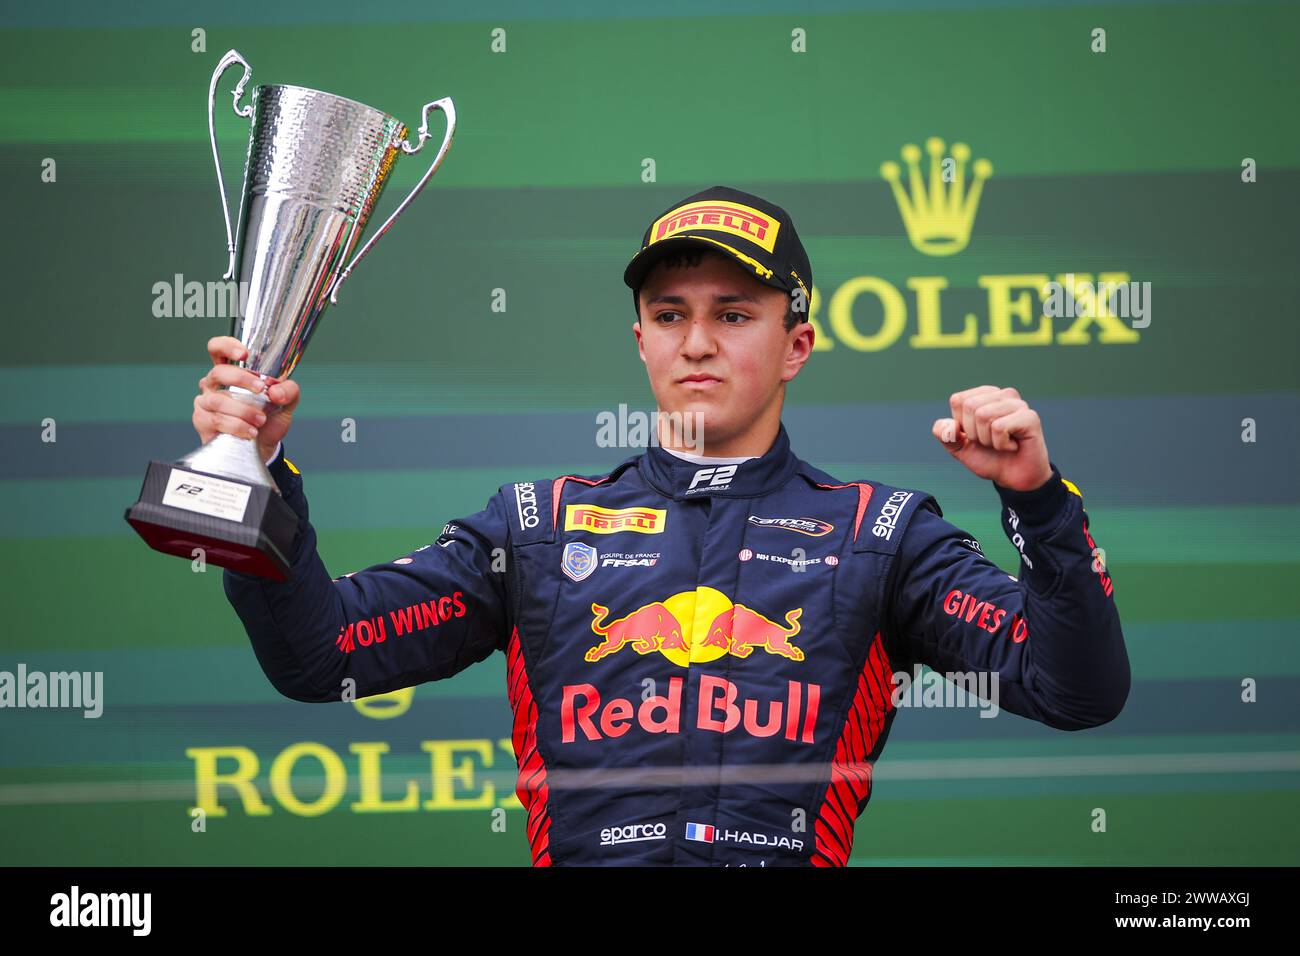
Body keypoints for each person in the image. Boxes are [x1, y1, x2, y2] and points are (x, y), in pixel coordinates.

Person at [195, 185, 1130, 866]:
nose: (696, 342)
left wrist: (1039, 503)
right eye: (669, 313)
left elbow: (1075, 689)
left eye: (734, 313)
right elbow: (324, 656)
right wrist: (258, 472)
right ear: (639, 335)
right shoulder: (537, 527)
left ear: (796, 343)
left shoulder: (879, 534)